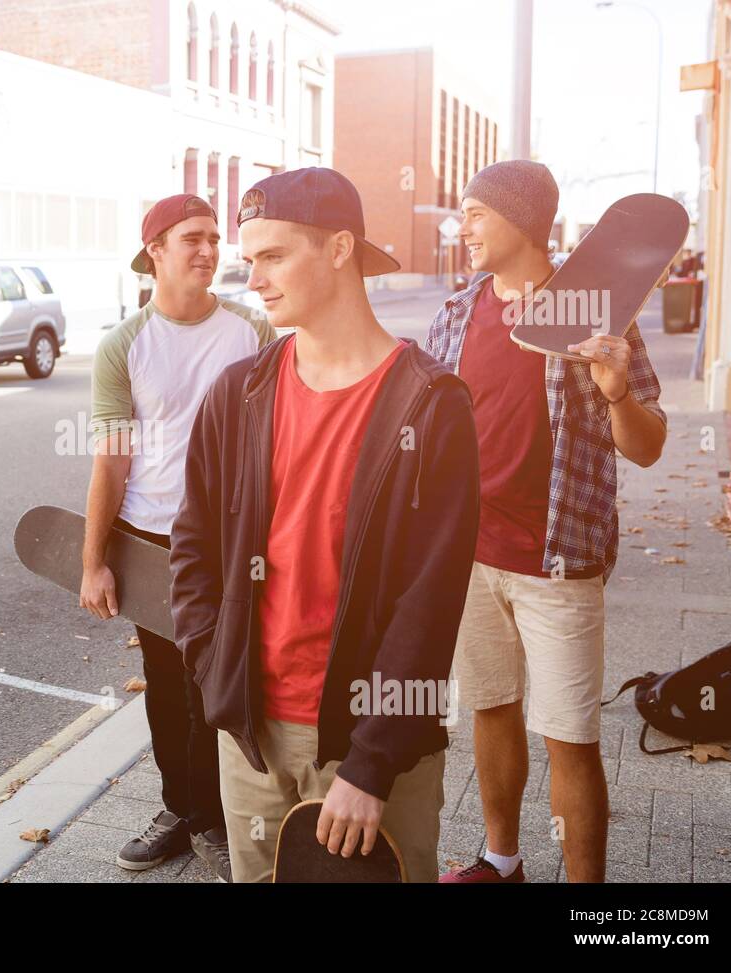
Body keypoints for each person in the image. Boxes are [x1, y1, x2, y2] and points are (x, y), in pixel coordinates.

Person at [169, 168, 480, 883]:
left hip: (369, 745)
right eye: (250, 262)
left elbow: (429, 604)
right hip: (250, 735)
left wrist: (371, 763)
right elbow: (193, 545)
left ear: (341, 248)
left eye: (274, 257)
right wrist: (214, 668)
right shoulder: (238, 392)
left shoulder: (429, 405)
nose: (255, 280)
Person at [426, 160, 667, 884]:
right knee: (492, 710)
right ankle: (502, 861)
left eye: (474, 213)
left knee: (571, 737)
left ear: (521, 221)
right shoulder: (457, 313)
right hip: (471, 554)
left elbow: (649, 446)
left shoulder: (595, 311)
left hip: (559, 558)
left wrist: (618, 392)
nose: (459, 227)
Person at [83, 193, 276, 881]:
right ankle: (183, 812)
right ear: (155, 251)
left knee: (218, 684)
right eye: (190, 238)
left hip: (231, 541)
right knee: (168, 687)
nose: (207, 250)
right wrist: (93, 561)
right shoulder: (124, 345)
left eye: (213, 238)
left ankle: (221, 818)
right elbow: (111, 458)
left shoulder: (252, 330)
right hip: (152, 538)